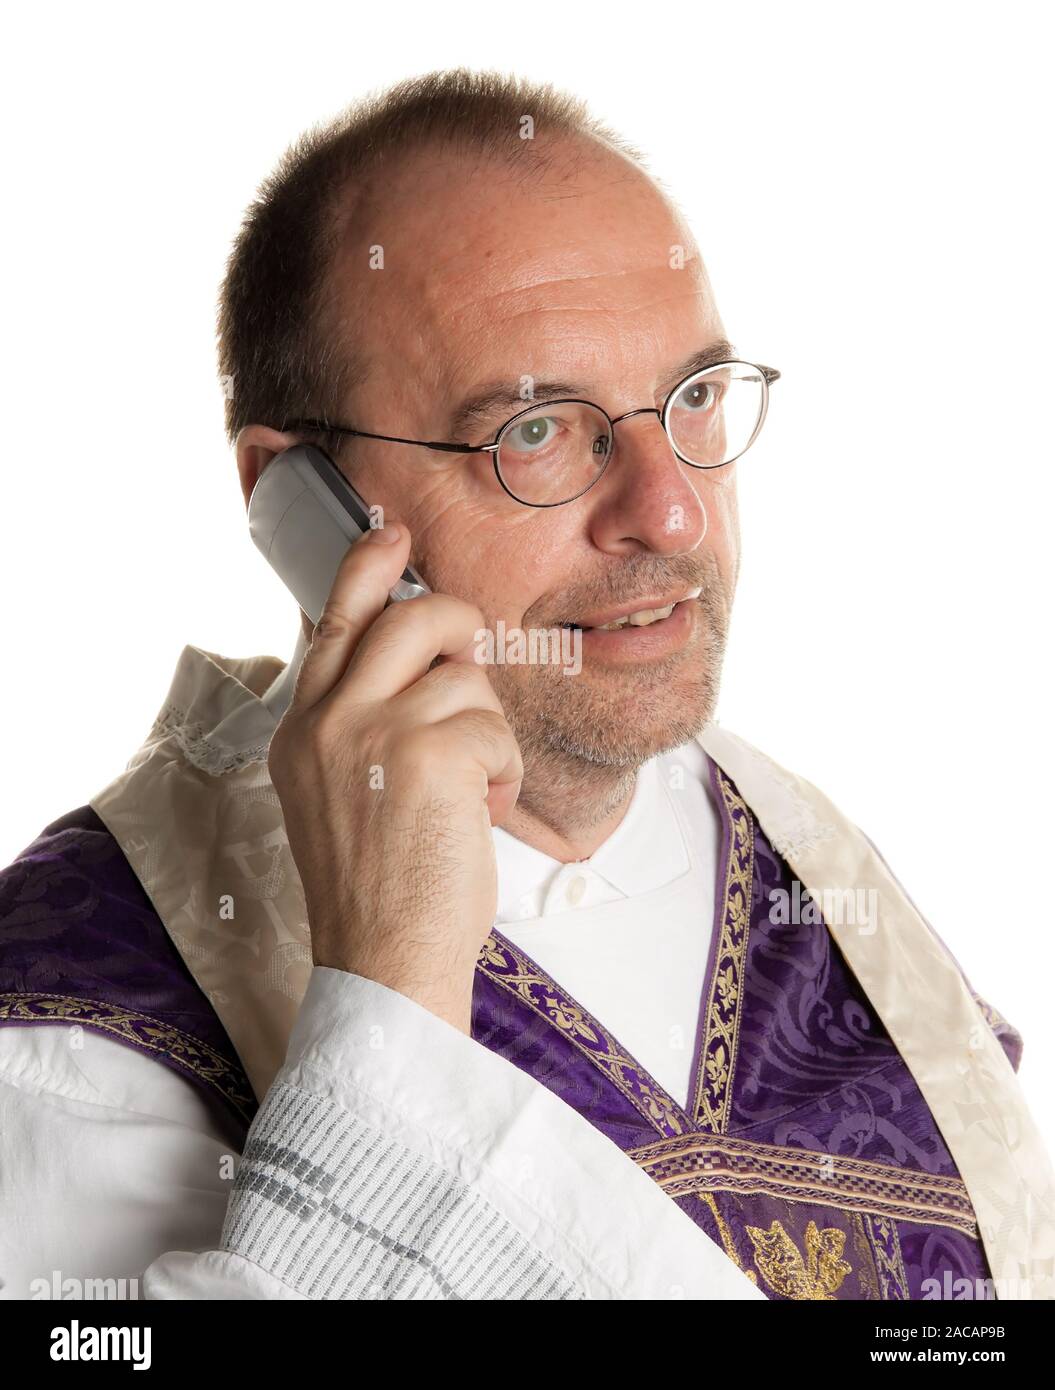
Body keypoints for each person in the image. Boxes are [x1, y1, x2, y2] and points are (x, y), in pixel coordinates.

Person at [1, 68, 1051, 1303]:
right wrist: (384, 990)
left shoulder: (828, 876)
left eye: (693, 399)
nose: (668, 510)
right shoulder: (77, 1010)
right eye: (539, 430)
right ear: (297, 501)